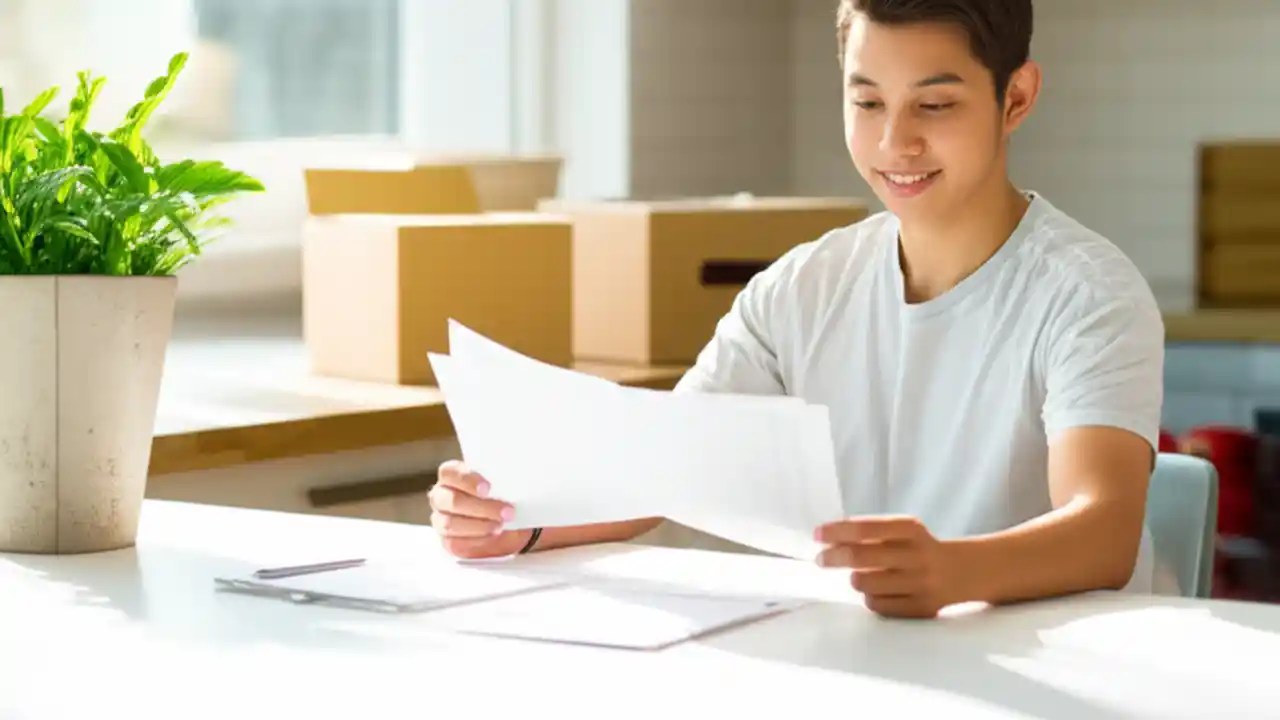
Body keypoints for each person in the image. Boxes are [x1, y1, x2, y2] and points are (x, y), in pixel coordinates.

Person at [428, 0, 1170, 618]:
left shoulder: (1087, 293)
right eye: (868, 101)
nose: (894, 142)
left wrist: (953, 572)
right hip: (872, 657)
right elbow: (672, 470)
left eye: (935, 104)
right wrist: (517, 525)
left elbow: (1102, 534)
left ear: (1016, 98)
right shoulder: (800, 287)